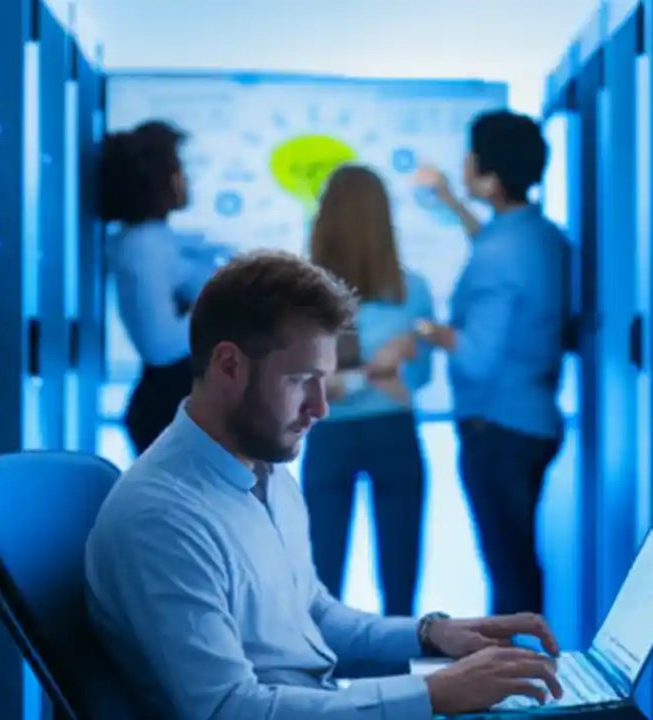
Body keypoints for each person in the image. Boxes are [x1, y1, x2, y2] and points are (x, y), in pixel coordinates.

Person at [84, 251, 563, 718]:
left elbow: (312, 619)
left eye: (323, 380)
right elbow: (229, 709)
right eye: (301, 380)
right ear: (228, 366)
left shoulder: (266, 472)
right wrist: (431, 696)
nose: (320, 407)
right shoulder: (163, 519)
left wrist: (432, 635)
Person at [413, 110, 568, 616]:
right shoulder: (541, 236)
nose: (463, 163)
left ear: (490, 175)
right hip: (535, 420)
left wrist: (422, 330)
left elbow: (477, 356)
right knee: (518, 565)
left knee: (509, 576)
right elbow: (495, 247)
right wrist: (452, 202)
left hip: (498, 429)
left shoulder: (498, 253)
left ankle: (518, 664)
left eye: (471, 156)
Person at [303, 165, 433, 616]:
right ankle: (400, 664)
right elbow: (416, 379)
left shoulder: (304, 295)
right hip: (393, 431)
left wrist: (350, 377)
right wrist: (380, 370)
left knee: (321, 587)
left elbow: (311, 381)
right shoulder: (413, 290)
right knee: (400, 591)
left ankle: (321, 664)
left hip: (329, 435)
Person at [102, 120, 229, 455]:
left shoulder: (156, 239)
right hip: (167, 409)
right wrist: (219, 308)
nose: (186, 180)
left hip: (182, 405)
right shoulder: (142, 245)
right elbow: (158, 346)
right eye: (180, 169)